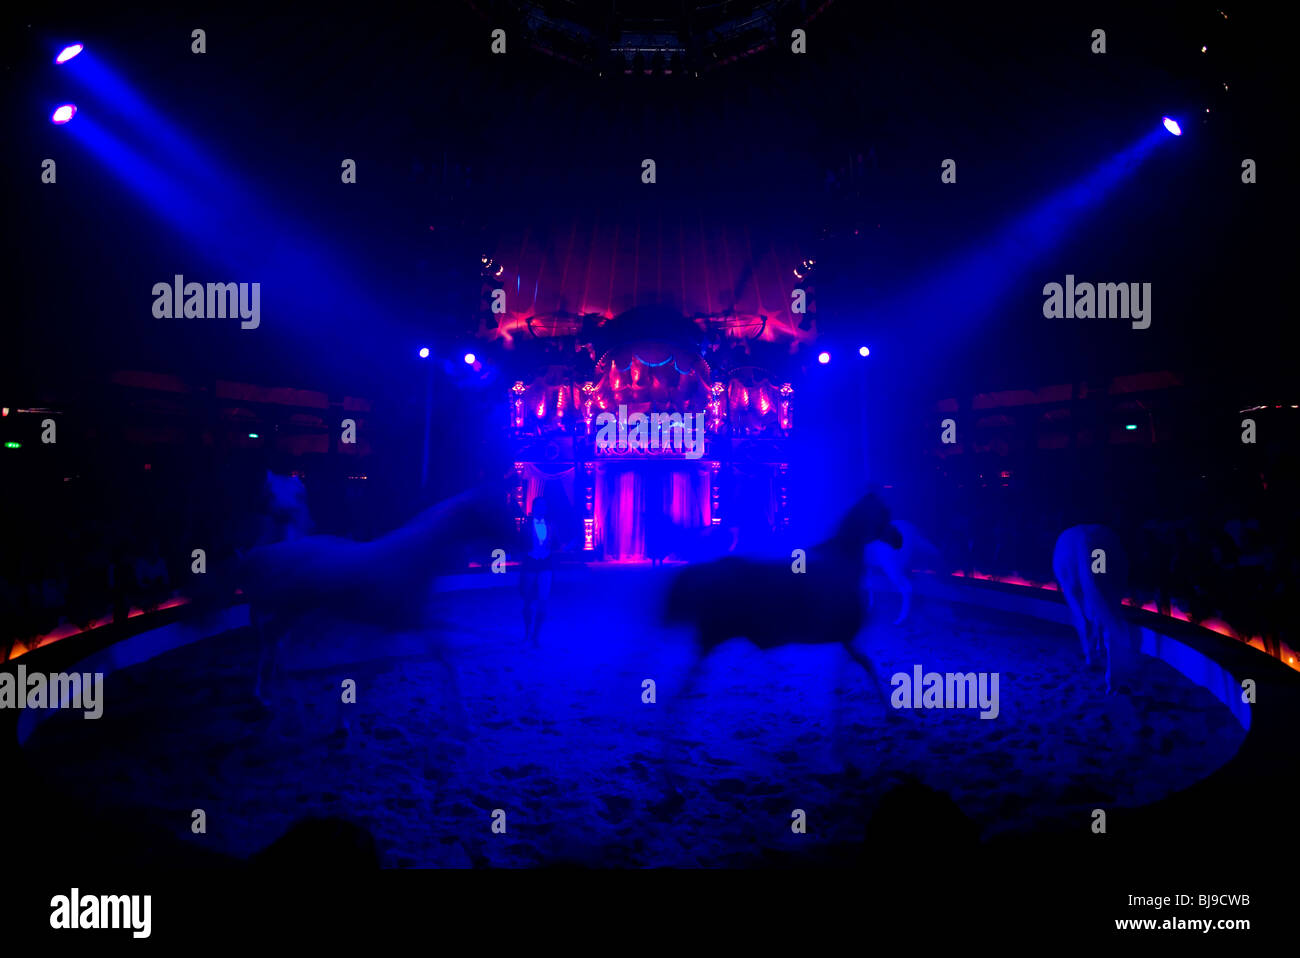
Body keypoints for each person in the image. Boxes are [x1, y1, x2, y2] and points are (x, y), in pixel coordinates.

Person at [520, 497, 555, 646]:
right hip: (530, 563)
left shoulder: (551, 525)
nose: (542, 508)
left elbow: (556, 544)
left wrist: (566, 547)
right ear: (533, 508)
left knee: (543, 600)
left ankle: (536, 637)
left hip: (545, 564)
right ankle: (527, 633)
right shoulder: (525, 525)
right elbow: (519, 543)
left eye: (544, 506)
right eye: (539, 505)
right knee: (527, 600)